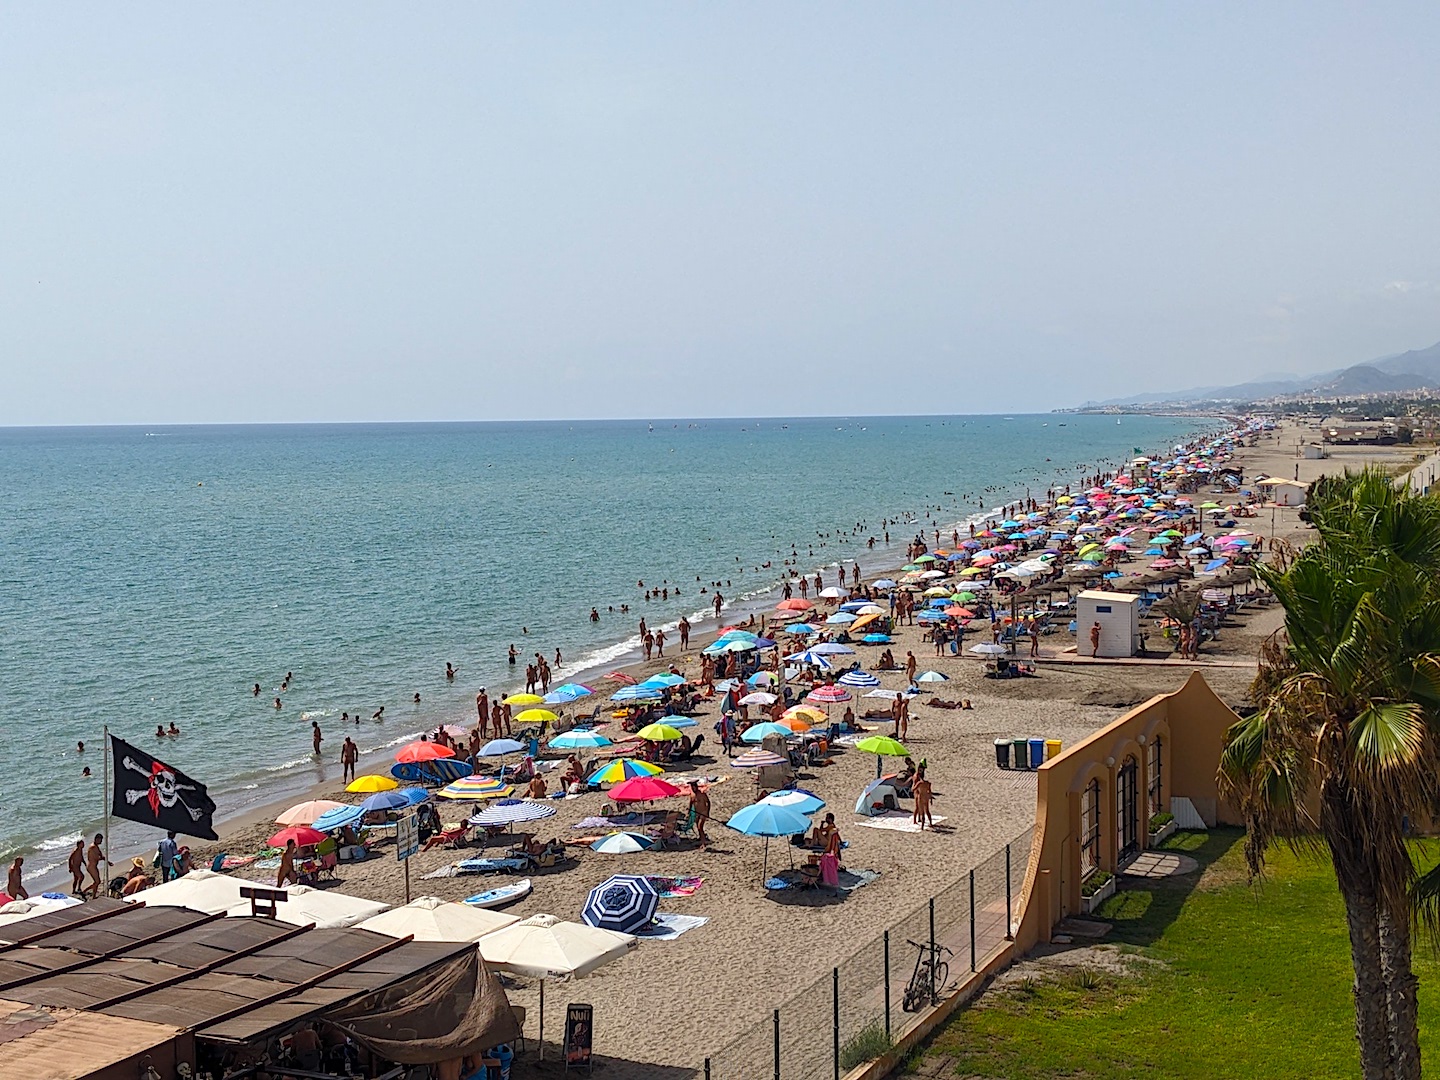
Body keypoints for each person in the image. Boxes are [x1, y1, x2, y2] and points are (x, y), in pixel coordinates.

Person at [689, 780, 710, 849]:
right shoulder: (692, 795)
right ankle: (702, 840)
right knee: (699, 828)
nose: (692, 788)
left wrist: (707, 812)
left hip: (703, 813)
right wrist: (689, 811)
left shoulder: (702, 794)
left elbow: (708, 803)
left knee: (699, 827)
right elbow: (691, 803)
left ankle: (703, 843)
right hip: (697, 813)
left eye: (693, 787)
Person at [84, 833, 106, 899]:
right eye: (100, 840)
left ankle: (93, 895)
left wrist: (107, 861)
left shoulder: (96, 846)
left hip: (94, 866)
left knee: (97, 881)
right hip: (91, 867)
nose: (101, 842)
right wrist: (102, 858)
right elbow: (96, 858)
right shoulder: (92, 847)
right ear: (97, 839)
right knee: (97, 881)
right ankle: (85, 891)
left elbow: (100, 855)